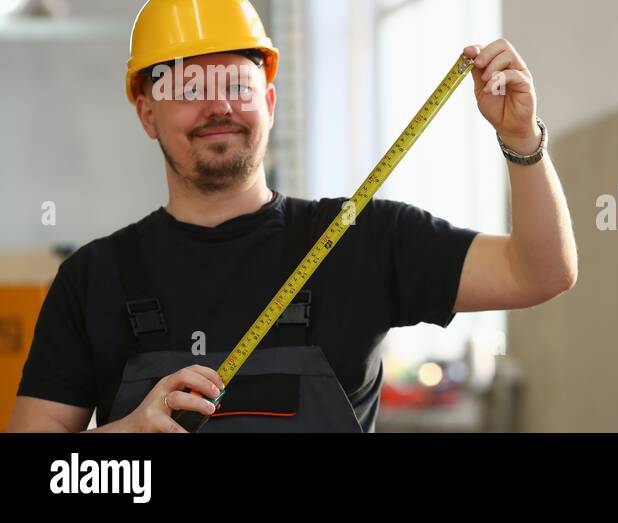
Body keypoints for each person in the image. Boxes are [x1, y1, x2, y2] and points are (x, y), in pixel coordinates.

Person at [7, 0, 577, 433]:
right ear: (146, 113)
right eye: (189, 86)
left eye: (236, 83)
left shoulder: (363, 239)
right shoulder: (91, 278)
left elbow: (541, 272)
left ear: (271, 104)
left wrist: (522, 140)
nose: (219, 105)